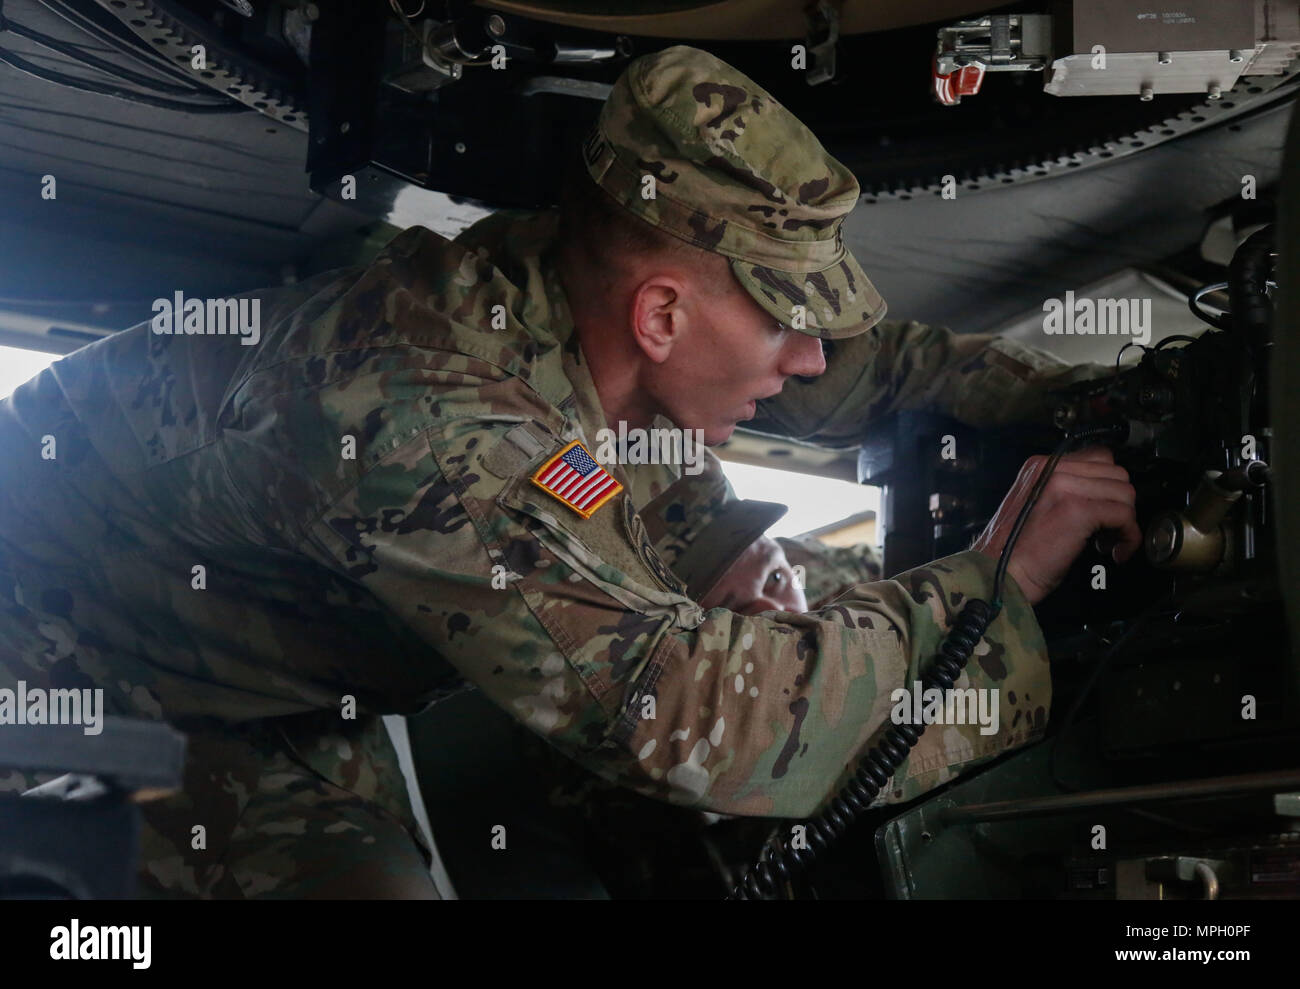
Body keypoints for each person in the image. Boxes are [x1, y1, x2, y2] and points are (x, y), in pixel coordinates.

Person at [0, 45, 1139, 898]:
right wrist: (993, 587)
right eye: (790, 324)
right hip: (69, 660)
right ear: (660, 314)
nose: (804, 360)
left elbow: (850, 368)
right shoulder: (427, 418)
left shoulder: (563, 288)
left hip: (264, 640)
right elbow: (677, 713)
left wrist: (1066, 402)